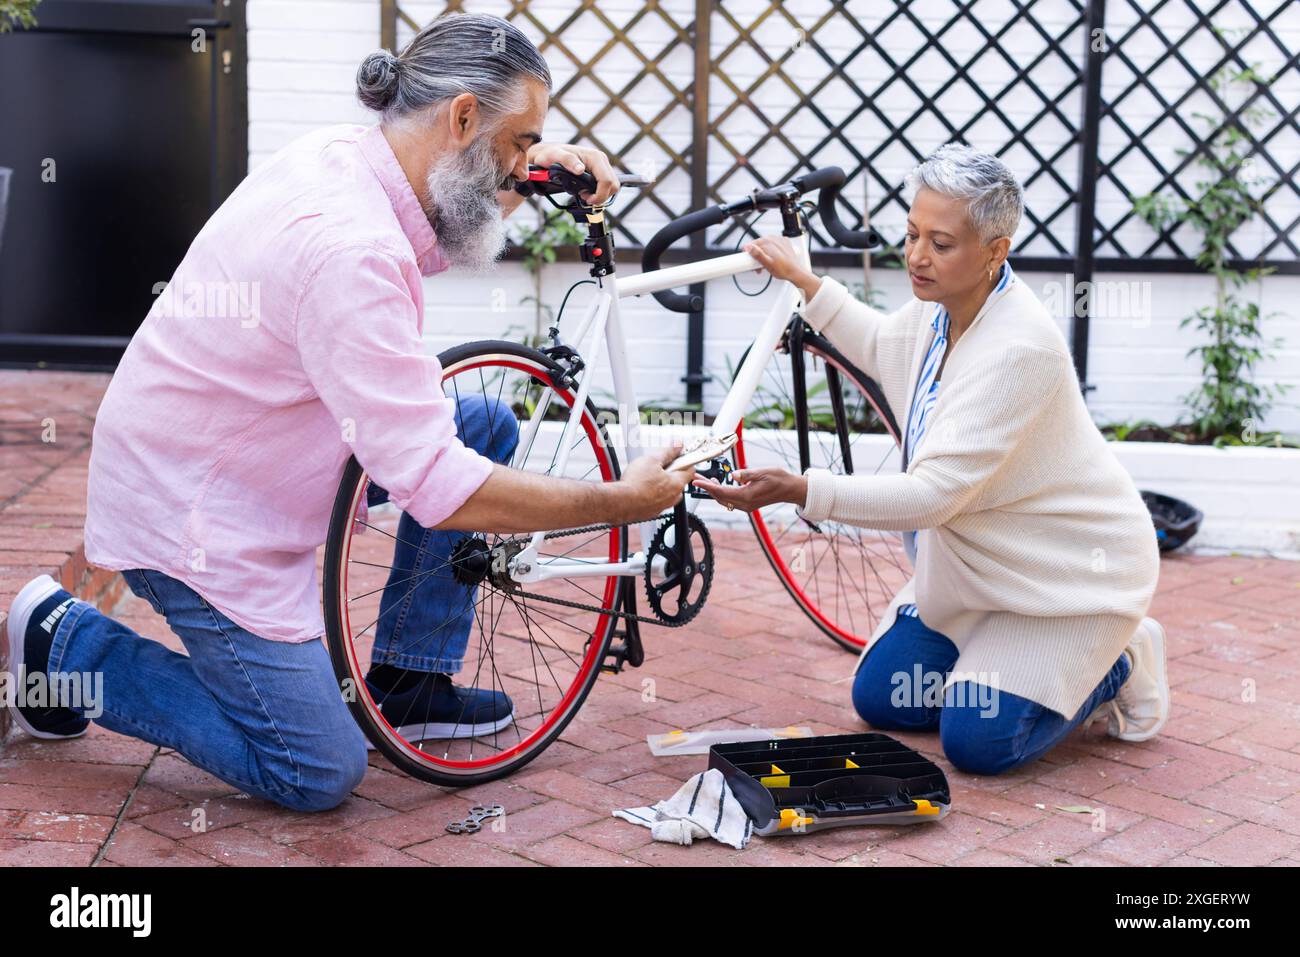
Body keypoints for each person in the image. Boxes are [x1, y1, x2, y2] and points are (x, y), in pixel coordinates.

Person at [3, 13, 693, 812]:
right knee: (316, 767)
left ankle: (408, 678)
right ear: (462, 116)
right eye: (519, 142)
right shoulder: (351, 249)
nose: (523, 164)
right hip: (197, 509)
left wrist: (528, 173)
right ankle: (61, 640)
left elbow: (447, 214)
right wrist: (620, 502)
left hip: (229, 445)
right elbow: (442, 488)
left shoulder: (352, 158)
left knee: (483, 425)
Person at [693, 144, 1169, 776]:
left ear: (995, 251)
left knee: (978, 745)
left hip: (1064, 583)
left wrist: (801, 489)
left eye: (941, 244)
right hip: (977, 576)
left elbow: (930, 495)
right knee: (882, 699)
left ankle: (1119, 655)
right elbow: (882, 344)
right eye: (913, 233)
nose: (917, 256)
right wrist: (806, 281)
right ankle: (988, 661)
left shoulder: (1019, 350)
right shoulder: (939, 311)